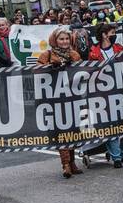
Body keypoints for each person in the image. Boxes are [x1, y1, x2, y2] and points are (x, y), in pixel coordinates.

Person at [34, 27, 87, 178]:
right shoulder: (47, 54)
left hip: (72, 98)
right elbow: (36, 71)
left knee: (73, 130)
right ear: (54, 40)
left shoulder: (74, 54)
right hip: (55, 100)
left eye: (66, 39)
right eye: (61, 39)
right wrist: (50, 67)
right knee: (62, 131)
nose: (64, 42)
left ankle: (72, 162)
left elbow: (82, 72)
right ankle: (65, 164)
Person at [88, 22, 123, 166]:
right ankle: (116, 156)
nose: (114, 35)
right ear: (104, 35)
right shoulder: (94, 53)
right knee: (111, 125)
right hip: (105, 94)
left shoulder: (119, 48)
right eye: (112, 33)